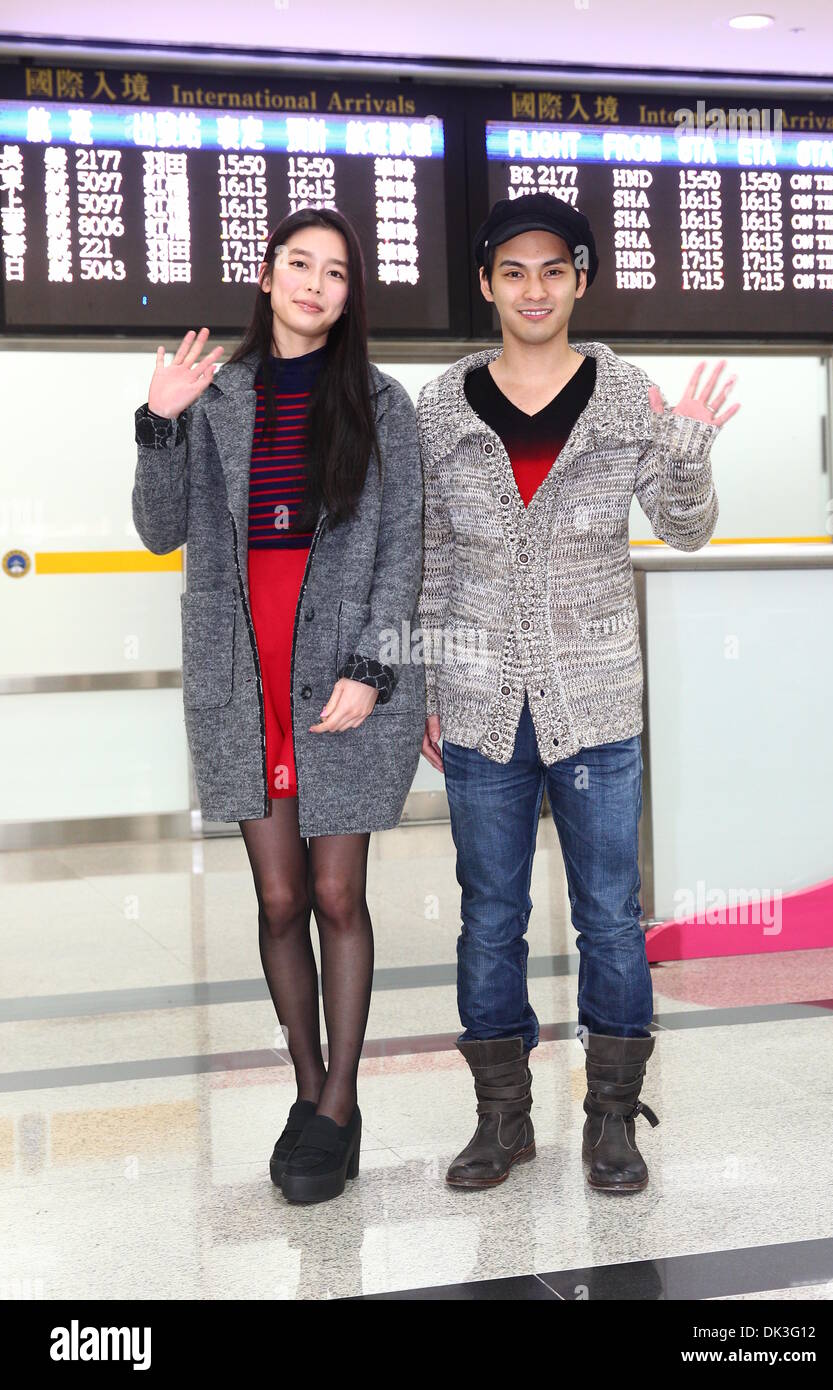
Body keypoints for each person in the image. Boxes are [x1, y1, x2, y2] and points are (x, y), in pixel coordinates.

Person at [417, 192, 740, 1194]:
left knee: (608, 915)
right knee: (488, 917)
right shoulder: (440, 405)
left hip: (593, 705)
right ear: (485, 284)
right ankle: (500, 1119)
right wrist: (429, 676)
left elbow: (684, 529)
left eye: (552, 270)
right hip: (478, 706)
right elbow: (429, 555)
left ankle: (610, 1118)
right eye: (511, 271)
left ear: (578, 281)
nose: (532, 288)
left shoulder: (622, 393)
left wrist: (686, 453)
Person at [131, 207, 426, 1205]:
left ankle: (338, 1103)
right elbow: (158, 530)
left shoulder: (383, 406)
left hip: (343, 674)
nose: (313, 283)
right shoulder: (215, 395)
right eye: (297, 264)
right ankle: (308, 1090)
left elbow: (402, 557)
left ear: (350, 296)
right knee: (277, 898)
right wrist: (158, 419)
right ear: (265, 279)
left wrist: (373, 669)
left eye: (334, 271)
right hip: (240, 665)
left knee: (338, 895)